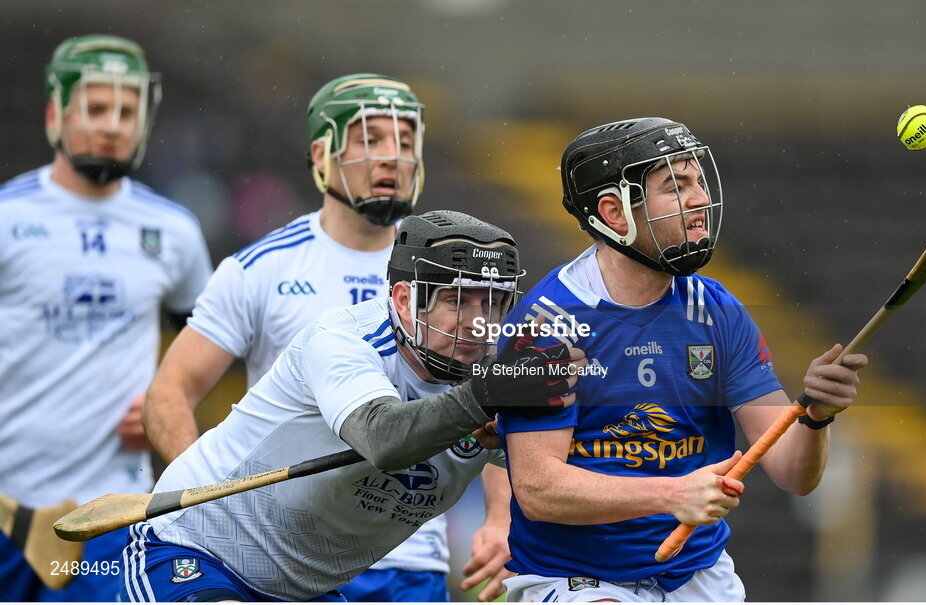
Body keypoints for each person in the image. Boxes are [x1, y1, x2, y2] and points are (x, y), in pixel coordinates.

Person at [142, 73, 514, 601]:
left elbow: (494, 398)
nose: (392, 157)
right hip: (263, 543)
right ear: (322, 155)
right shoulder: (261, 269)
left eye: (405, 141)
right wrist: (205, 499)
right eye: (370, 139)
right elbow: (171, 391)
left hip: (405, 553)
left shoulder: (461, 276)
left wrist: (500, 516)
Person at [119, 210, 584, 602]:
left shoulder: (499, 371)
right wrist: (486, 396)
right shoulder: (343, 340)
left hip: (307, 590)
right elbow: (385, 439)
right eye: (456, 301)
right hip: (196, 547)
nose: (477, 322)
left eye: (495, 303)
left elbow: (571, 467)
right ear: (405, 300)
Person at [495, 117, 869, 602]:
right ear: (614, 213)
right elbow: (539, 491)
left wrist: (817, 417)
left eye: (698, 181)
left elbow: (794, 475)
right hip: (576, 578)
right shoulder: (544, 328)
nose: (699, 200)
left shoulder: (716, 312)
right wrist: (672, 495)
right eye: (676, 187)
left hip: (696, 573)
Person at [0, 34, 212, 600]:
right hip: (5, 502)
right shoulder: (6, 216)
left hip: (111, 513)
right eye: (95, 108)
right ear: (55, 114)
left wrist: (168, 401)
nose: (112, 125)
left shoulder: (174, 231)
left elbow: (209, 348)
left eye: (126, 110)